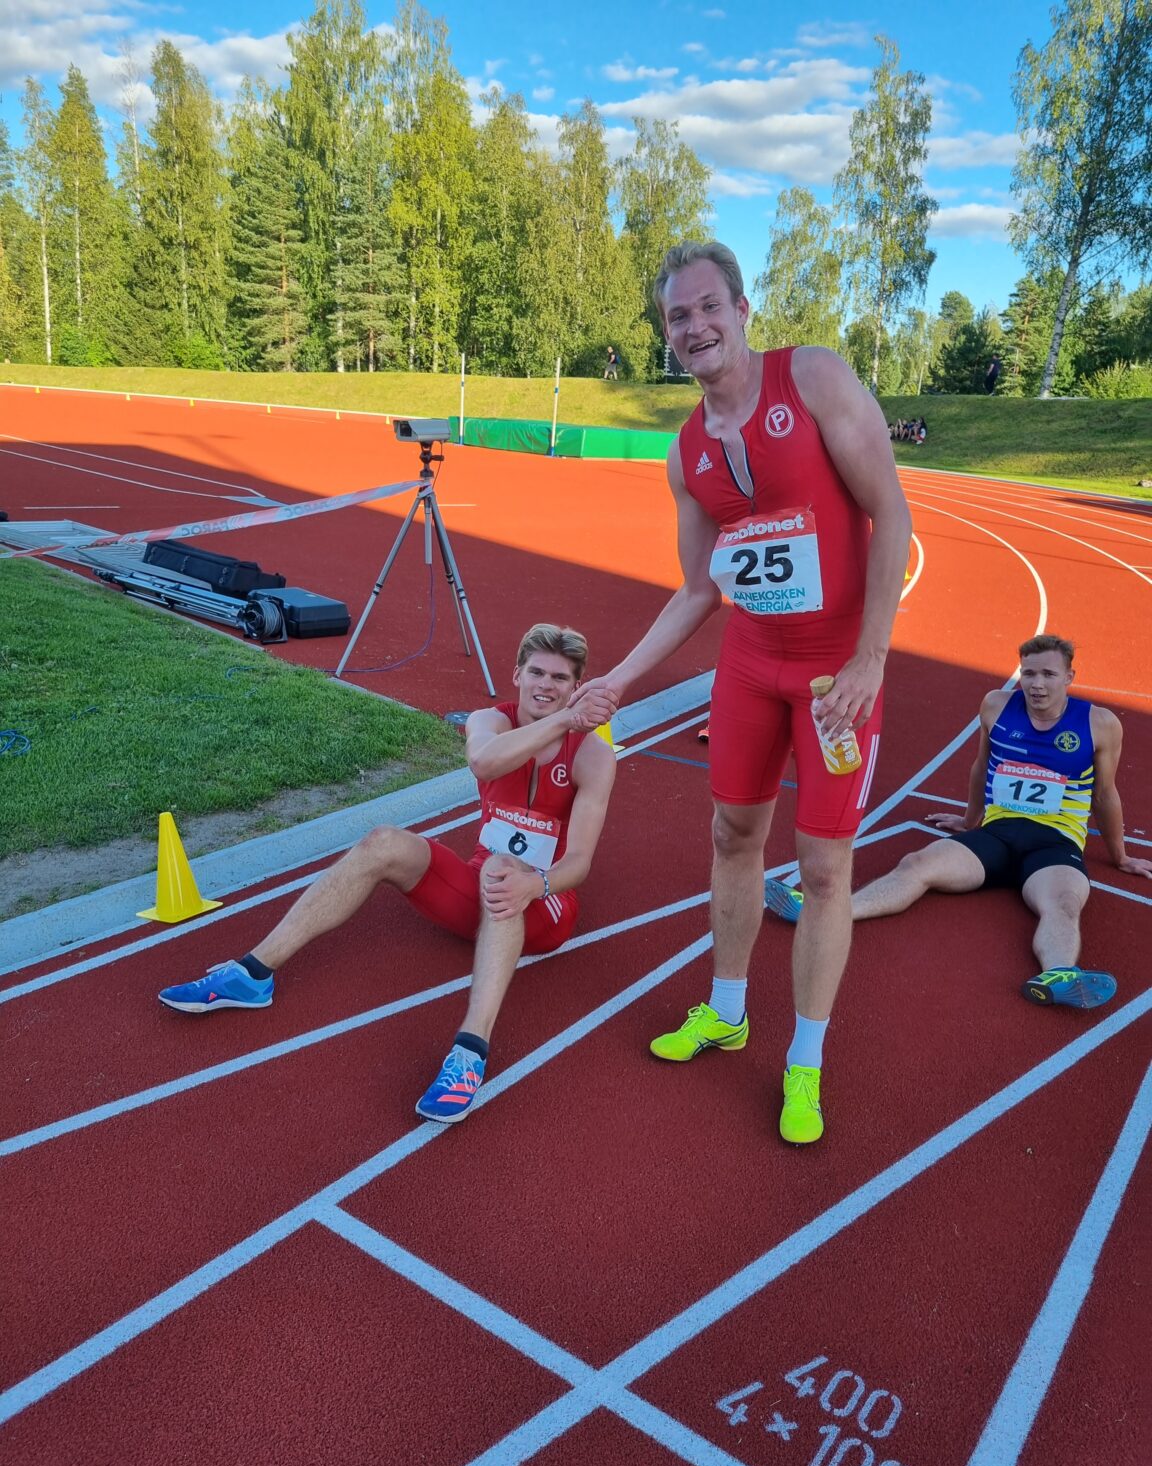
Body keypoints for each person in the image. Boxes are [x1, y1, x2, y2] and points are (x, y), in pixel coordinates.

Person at [573, 240, 912, 1145]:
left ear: (742, 309)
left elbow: (892, 515)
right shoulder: (686, 452)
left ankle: (804, 1060)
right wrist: (616, 679)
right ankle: (727, 1009)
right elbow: (697, 591)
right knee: (732, 835)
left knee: (827, 864)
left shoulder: (814, 379)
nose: (695, 327)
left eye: (707, 308)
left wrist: (874, 658)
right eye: (677, 317)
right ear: (667, 333)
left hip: (840, 674)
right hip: (753, 669)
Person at [158, 624, 618, 1124]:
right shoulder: (490, 720)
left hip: (544, 904)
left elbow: (578, 865)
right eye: (536, 672)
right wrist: (565, 719)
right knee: (383, 840)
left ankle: (469, 1053)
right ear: (517, 674)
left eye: (559, 677)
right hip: (480, 886)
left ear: (577, 684)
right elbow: (484, 764)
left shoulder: (592, 755)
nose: (545, 685)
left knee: (505, 872)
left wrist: (536, 883)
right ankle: (252, 974)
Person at [765, 635, 1152, 1005]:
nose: (1037, 684)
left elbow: (1105, 794)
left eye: (1048, 675)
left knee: (1064, 904)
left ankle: (1059, 975)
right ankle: (825, 913)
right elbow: (981, 766)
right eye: (1029, 673)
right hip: (995, 836)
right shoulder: (997, 706)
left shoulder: (1098, 723)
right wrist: (969, 821)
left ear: (1069, 677)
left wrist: (1120, 856)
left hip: (1055, 842)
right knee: (917, 864)